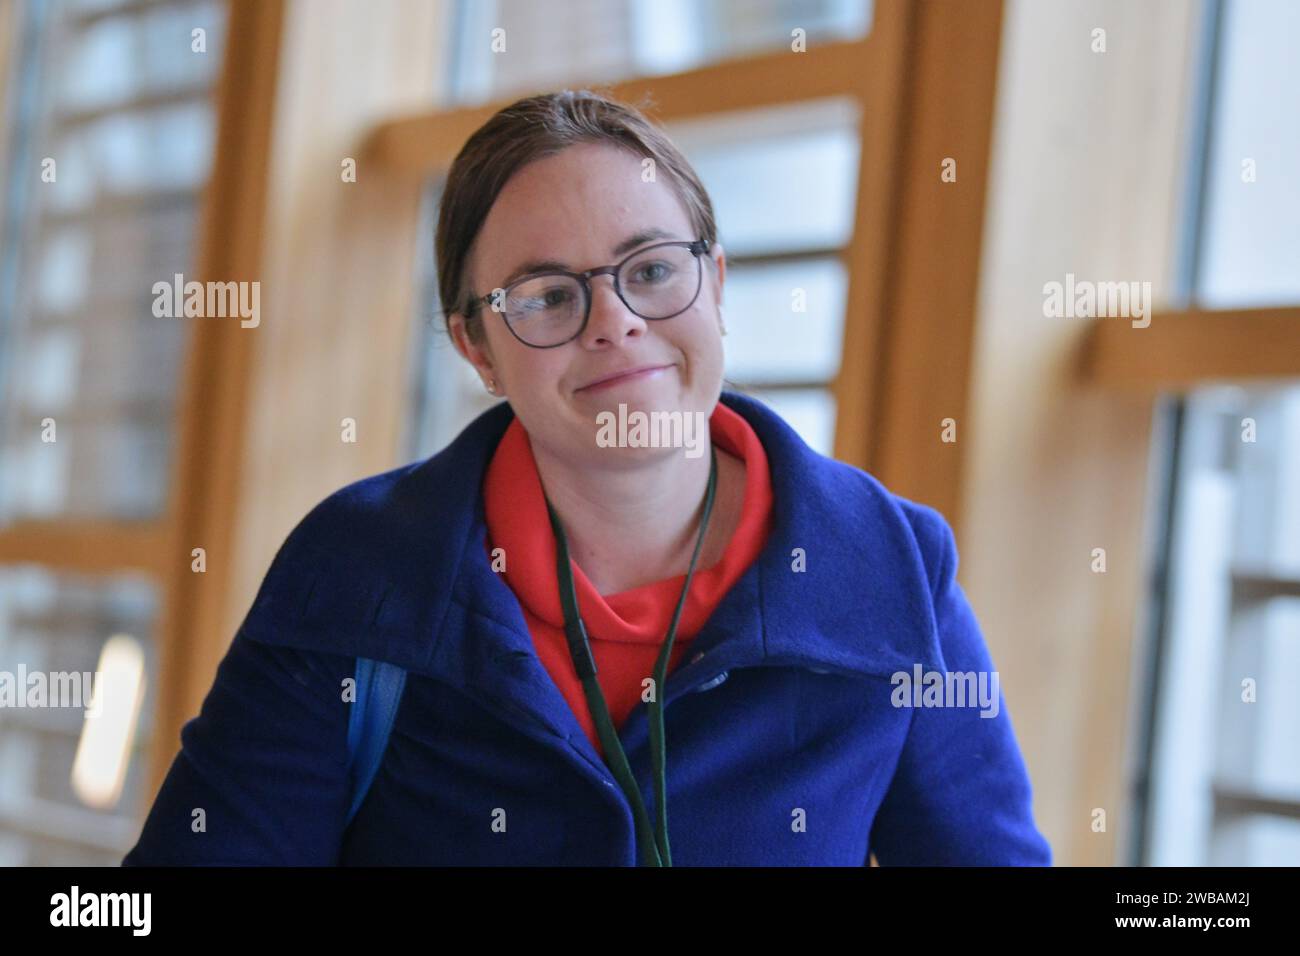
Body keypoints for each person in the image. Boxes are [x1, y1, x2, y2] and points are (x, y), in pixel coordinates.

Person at [123, 89, 1052, 866]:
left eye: (651, 270)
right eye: (548, 296)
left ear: (717, 286)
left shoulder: (890, 570)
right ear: (476, 348)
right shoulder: (361, 567)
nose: (613, 322)